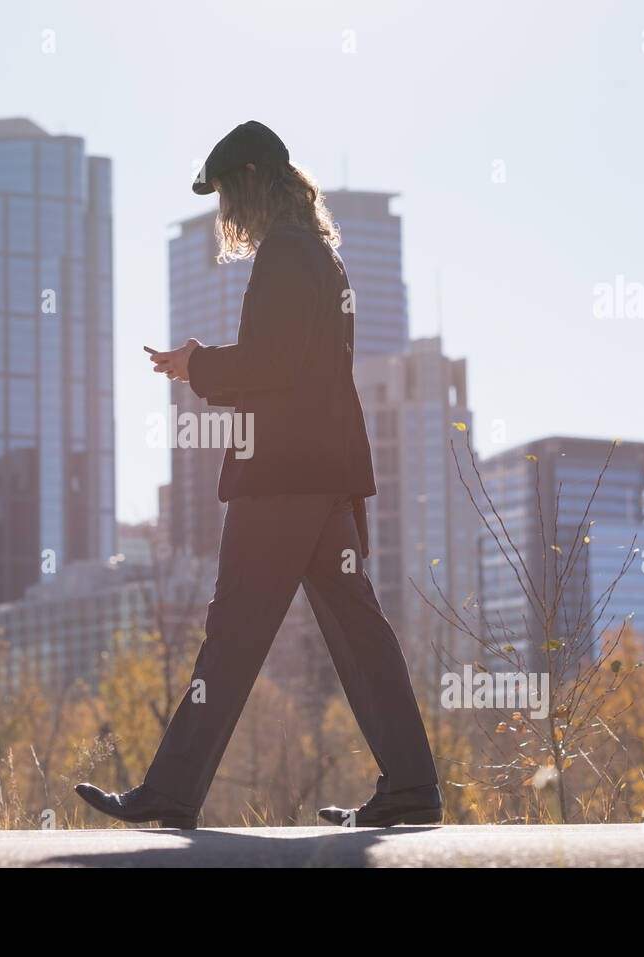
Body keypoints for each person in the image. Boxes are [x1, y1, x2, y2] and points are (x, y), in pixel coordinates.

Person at [75, 120, 442, 829]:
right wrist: (205, 365)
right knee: (358, 632)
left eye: (225, 195)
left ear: (251, 180)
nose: (225, 213)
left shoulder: (284, 255)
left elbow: (273, 365)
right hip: (323, 475)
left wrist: (198, 365)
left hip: (281, 477)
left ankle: (170, 791)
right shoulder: (321, 257)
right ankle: (412, 785)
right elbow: (302, 368)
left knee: (233, 633)